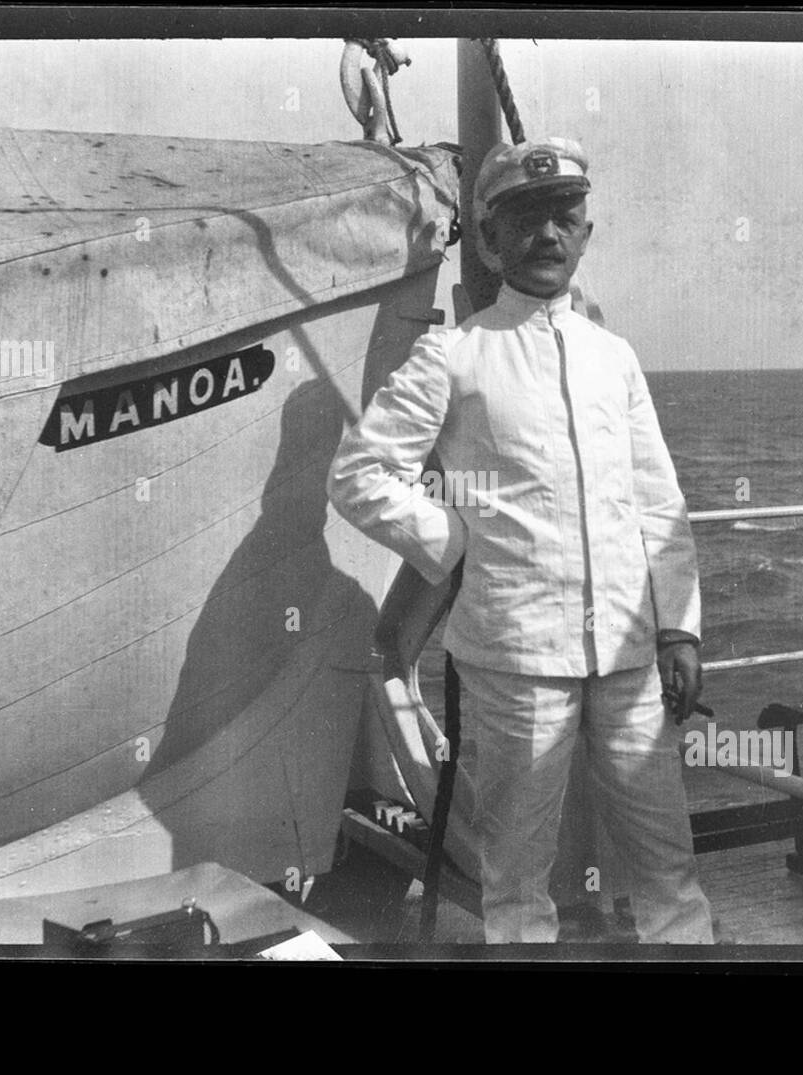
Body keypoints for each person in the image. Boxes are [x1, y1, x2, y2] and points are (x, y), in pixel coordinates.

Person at [327, 137, 714, 943]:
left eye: (563, 218)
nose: (547, 236)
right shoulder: (455, 355)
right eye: (526, 220)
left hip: (631, 655)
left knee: (670, 873)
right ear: (492, 241)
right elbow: (360, 474)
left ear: (586, 233)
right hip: (513, 665)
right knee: (514, 889)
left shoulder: (615, 360)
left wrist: (679, 624)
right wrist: (450, 539)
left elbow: (660, 504)